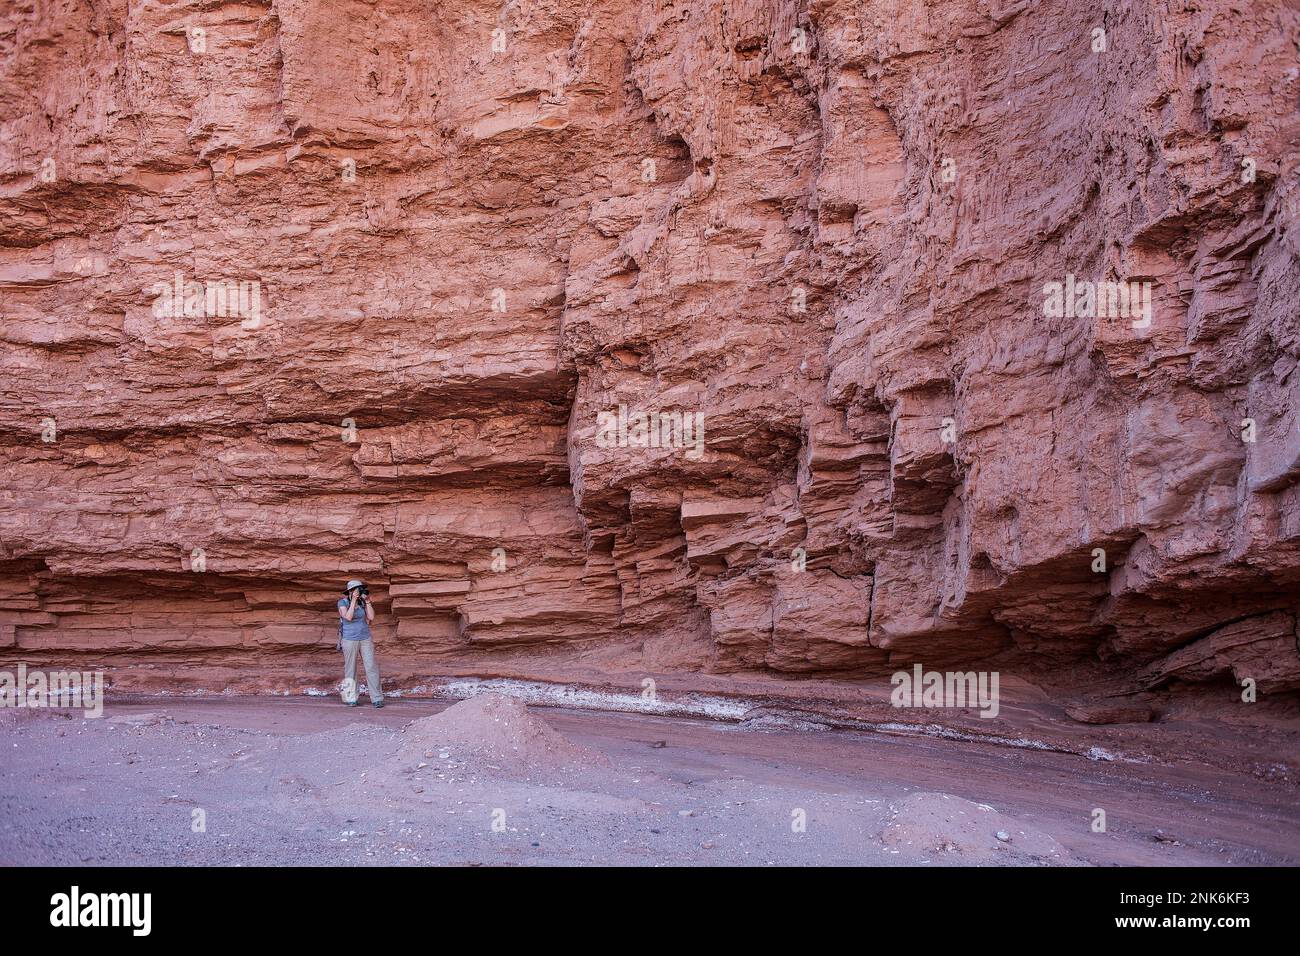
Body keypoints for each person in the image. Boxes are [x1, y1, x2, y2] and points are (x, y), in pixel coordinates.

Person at [337, 579, 384, 708]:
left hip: (365, 638)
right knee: (350, 668)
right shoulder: (342, 602)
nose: (359, 591)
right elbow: (348, 617)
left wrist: (367, 601)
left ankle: (377, 698)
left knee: (371, 666)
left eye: (360, 589)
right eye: (357, 589)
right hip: (349, 638)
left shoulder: (363, 602)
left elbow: (372, 617)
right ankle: (351, 698)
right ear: (351, 591)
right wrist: (353, 601)